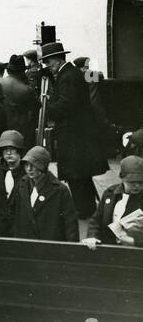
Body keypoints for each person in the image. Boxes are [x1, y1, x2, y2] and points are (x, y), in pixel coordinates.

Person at [40, 41, 108, 218]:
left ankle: (83, 210)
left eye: (48, 62)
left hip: (74, 134)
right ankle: (87, 208)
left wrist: (47, 108)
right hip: (79, 132)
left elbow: (66, 104)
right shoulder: (72, 73)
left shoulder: (67, 76)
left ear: (58, 59)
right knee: (80, 174)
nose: (48, 66)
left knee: (76, 174)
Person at [10, 145, 78, 242]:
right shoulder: (22, 184)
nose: (29, 169)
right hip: (24, 244)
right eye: (26, 165)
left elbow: (70, 223)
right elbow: (11, 212)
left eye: (33, 165)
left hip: (49, 246)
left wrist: (71, 250)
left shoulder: (60, 190)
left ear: (42, 167)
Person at [83, 155, 143, 249]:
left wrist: (135, 241)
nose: (137, 185)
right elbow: (96, 219)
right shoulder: (110, 193)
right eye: (131, 182)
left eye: (141, 182)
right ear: (122, 178)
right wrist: (92, 236)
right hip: (109, 247)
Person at [0, 55, 37, 150]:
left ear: (8, 71)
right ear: (22, 72)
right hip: (20, 132)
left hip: (0, 128)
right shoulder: (26, 90)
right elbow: (36, 108)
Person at [0, 129, 27, 214]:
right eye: (5, 149)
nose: (8, 152)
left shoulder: (27, 169)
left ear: (19, 150)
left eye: (12, 148)